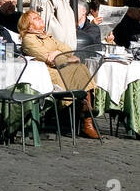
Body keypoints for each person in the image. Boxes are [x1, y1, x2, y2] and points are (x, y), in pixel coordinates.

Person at [19, 9, 100, 139]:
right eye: (35, 18)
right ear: (28, 25)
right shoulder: (29, 39)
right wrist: (63, 57)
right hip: (47, 73)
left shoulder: (47, 37)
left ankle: (87, 113)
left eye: (39, 16)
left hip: (61, 68)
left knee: (81, 68)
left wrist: (57, 53)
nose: (40, 18)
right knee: (79, 68)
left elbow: (68, 49)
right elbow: (48, 59)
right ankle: (87, 115)